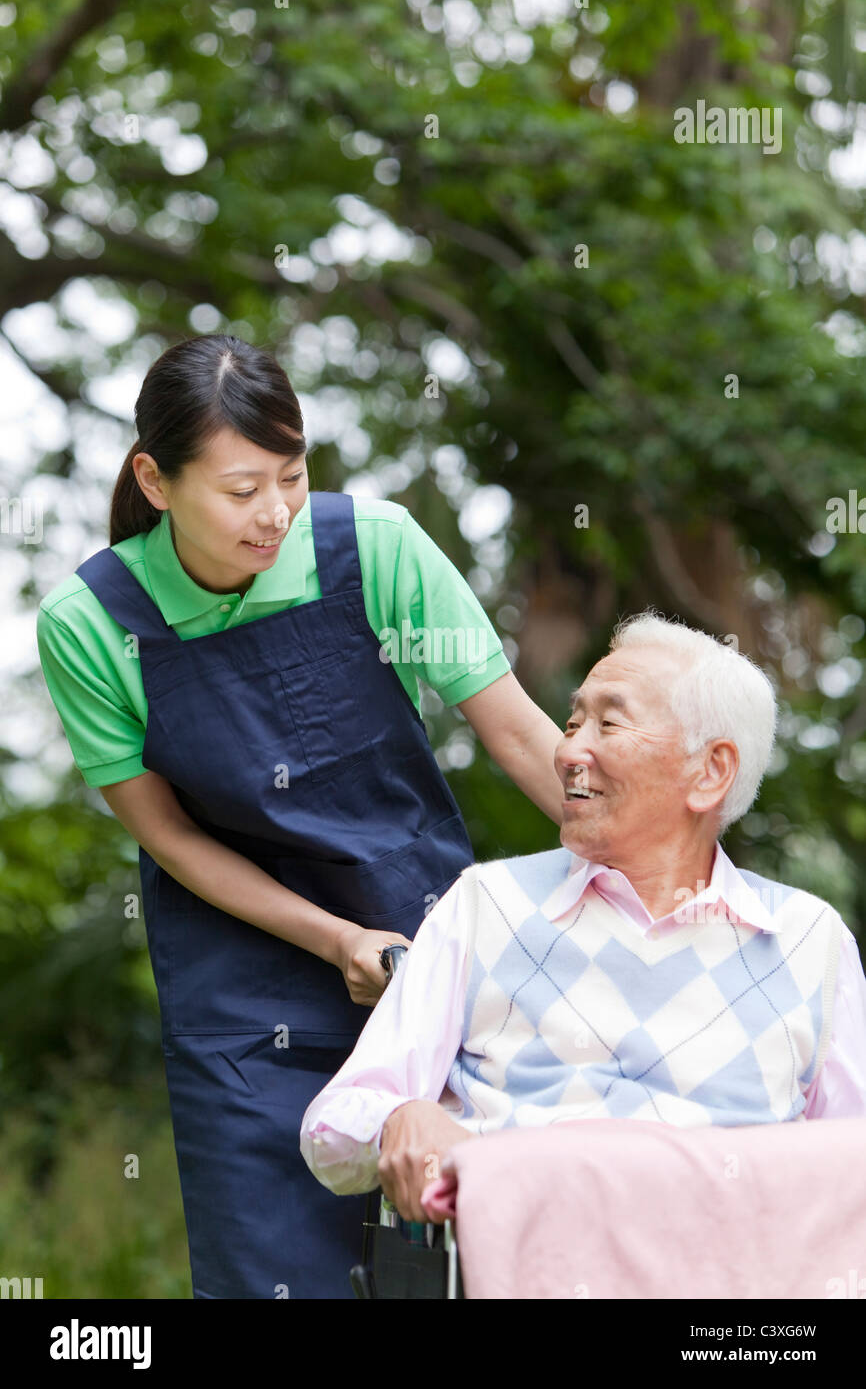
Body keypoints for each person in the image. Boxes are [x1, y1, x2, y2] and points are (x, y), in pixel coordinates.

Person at [36, 333, 565, 1299]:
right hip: (240, 992)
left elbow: (523, 738)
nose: (276, 511)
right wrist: (333, 942)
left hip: (422, 960)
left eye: (292, 474)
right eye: (242, 490)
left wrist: (676, 870)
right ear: (155, 481)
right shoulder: (88, 625)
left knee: (451, 1264)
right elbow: (170, 837)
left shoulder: (378, 547)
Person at [300, 611, 866, 1221]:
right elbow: (332, 1128)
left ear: (710, 772)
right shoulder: (485, 904)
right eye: (573, 722)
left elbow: (852, 1170)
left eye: (609, 723)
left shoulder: (809, 942)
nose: (569, 748)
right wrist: (399, 1119)